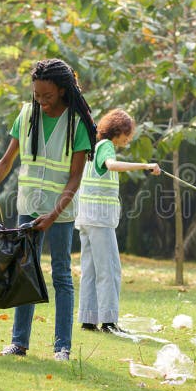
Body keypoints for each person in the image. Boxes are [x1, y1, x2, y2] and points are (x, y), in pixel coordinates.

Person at [0, 58, 96, 361]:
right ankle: (18, 342)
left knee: (62, 275)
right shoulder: (27, 115)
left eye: (47, 96)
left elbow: (75, 177)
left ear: (64, 91)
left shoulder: (78, 123)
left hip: (59, 213)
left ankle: (62, 347)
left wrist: (53, 215)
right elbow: (5, 163)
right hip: (27, 207)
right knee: (24, 272)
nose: (41, 101)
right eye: (37, 95)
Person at [75, 109, 161, 333]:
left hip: (86, 218)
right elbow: (111, 165)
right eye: (128, 133)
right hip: (99, 220)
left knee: (91, 270)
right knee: (110, 270)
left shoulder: (93, 147)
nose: (129, 138)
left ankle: (88, 319)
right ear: (119, 130)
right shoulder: (105, 146)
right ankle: (109, 322)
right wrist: (146, 166)